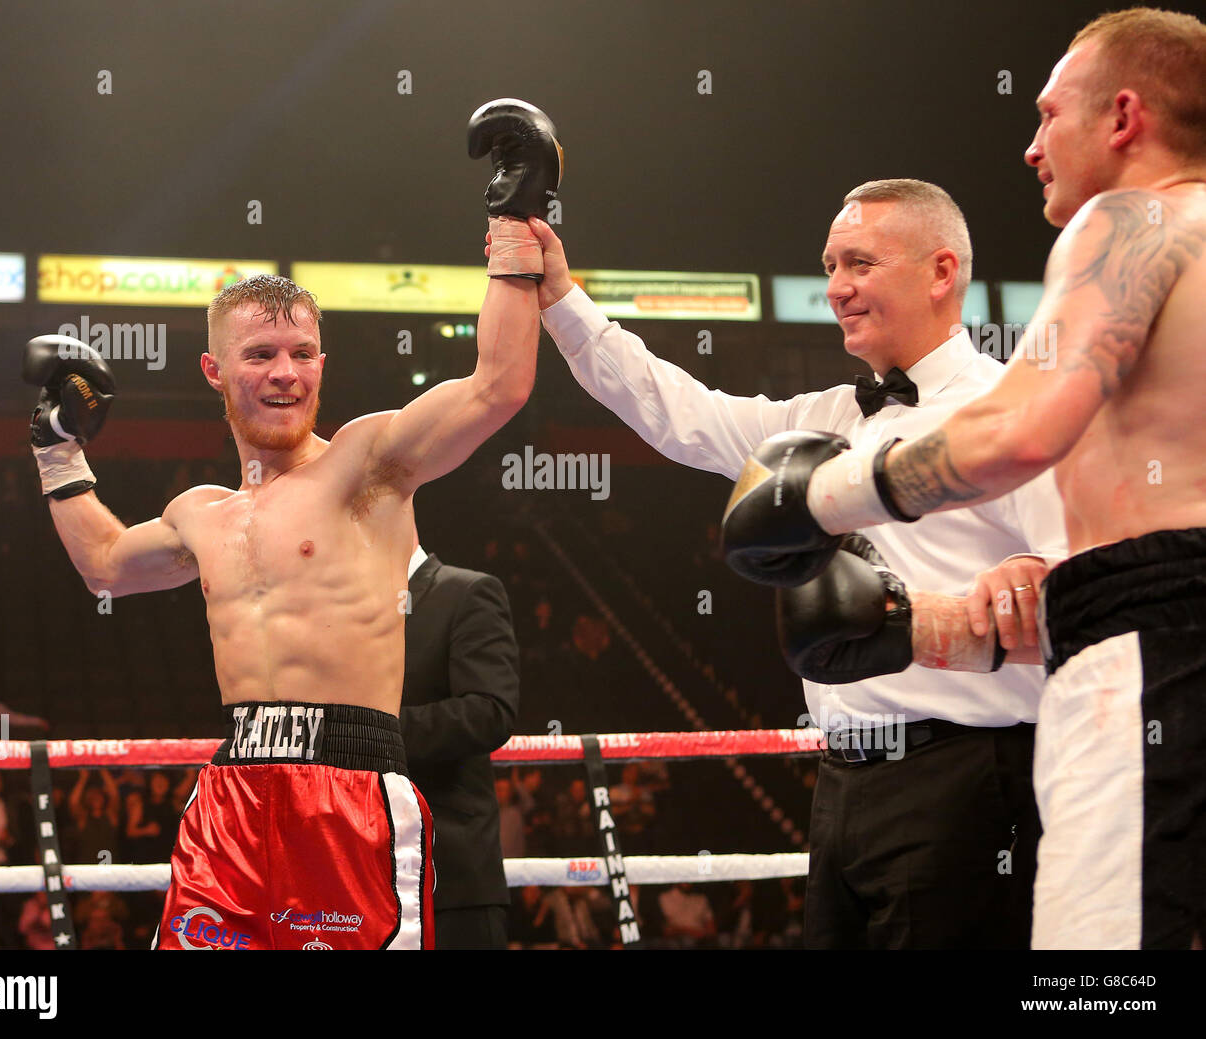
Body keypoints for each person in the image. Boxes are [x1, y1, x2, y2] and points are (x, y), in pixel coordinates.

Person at [23, 99, 555, 950]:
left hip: (349, 790)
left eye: (302, 353)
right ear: (214, 370)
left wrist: (516, 215)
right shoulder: (202, 512)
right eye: (261, 354)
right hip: (233, 794)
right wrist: (56, 448)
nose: (285, 373)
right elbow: (106, 564)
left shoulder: (364, 465)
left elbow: (499, 386)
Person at [738, 8, 1206, 950]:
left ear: (1123, 118)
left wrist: (814, 498)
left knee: (1101, 968)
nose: (1032, 146)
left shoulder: (1134, 217)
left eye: (1047, 115)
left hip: (1153, 637)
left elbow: (1018, 428)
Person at [513, 180, 1066, 948]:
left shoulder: (1013, 413)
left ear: (942, 272)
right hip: (840, 781)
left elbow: (1083, 590)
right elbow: (681, 414)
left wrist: (1032, 577)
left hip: (970, 779)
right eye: (831, 264)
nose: (836, 287)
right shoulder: (821, 417)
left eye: (860, 263)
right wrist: (564, 301)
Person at [401, 527, 520, 949]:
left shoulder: (466, 591)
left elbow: (490, 711)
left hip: (451, 870)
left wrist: (377, 731)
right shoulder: (346, 614)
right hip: (361, 873)